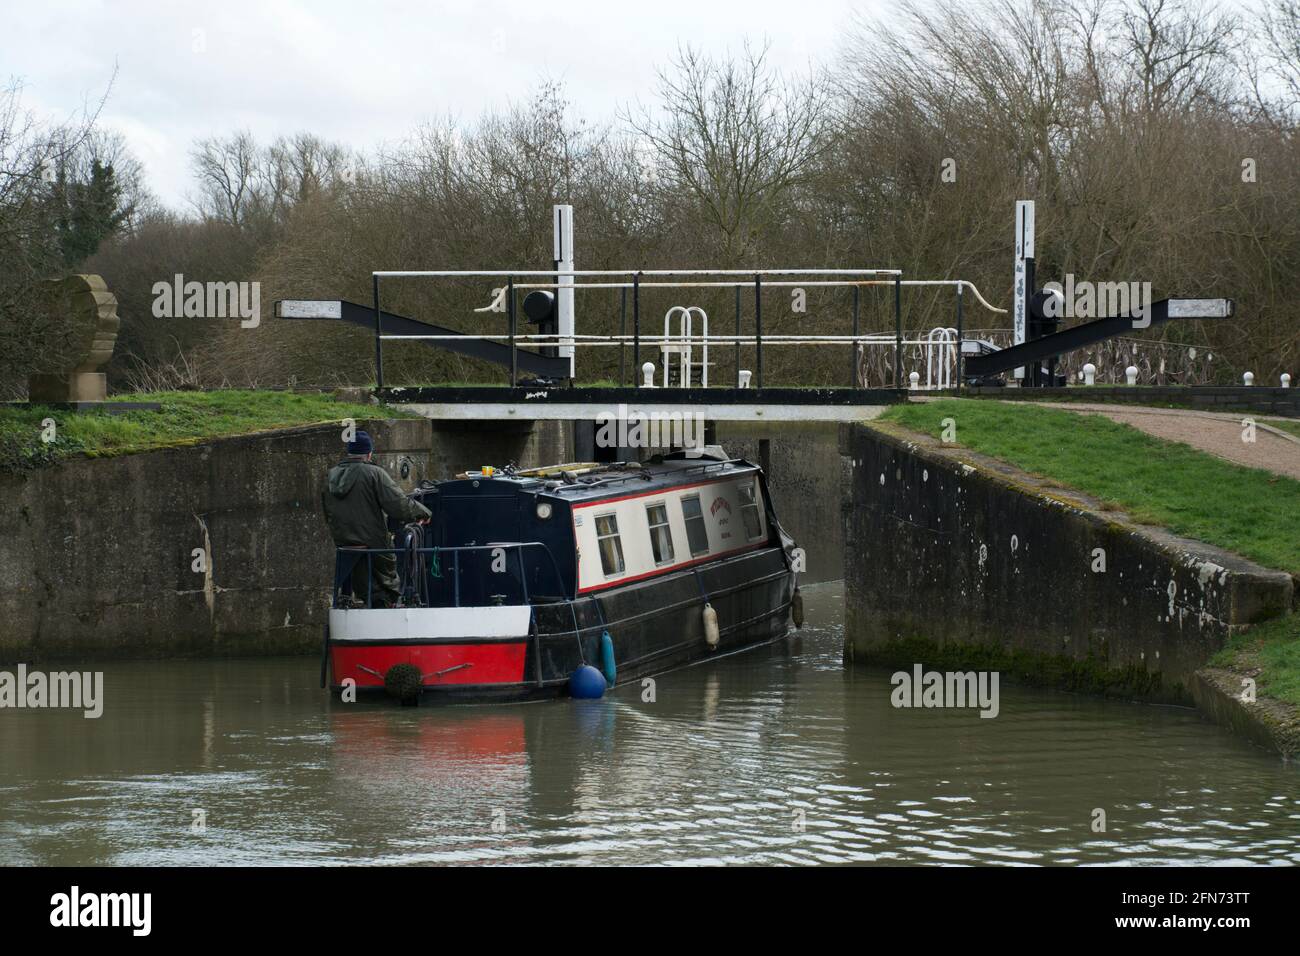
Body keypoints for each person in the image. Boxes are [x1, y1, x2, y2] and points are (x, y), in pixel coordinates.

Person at [321, 430, 431, 607]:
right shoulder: (374, 473)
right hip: (372, 540)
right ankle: (391, 601)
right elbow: (398, 505)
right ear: (369, 453)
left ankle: (352, 599)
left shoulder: (330, 476)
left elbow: (327, 512)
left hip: (343, 542)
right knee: (390, 559)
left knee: (361, 573)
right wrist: (423, 513)